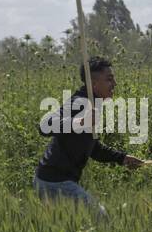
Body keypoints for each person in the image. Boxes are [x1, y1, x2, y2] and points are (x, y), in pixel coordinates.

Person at [34, 57, 143, 218]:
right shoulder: (80, 102)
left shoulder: (93, 104)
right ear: (94, 84)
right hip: (54, 182)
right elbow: (44, 126)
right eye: (109, 79)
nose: (115, 84)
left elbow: (93, 148)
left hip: (57, 180)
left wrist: (122, 158)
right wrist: (81, 121)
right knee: (100, 218)